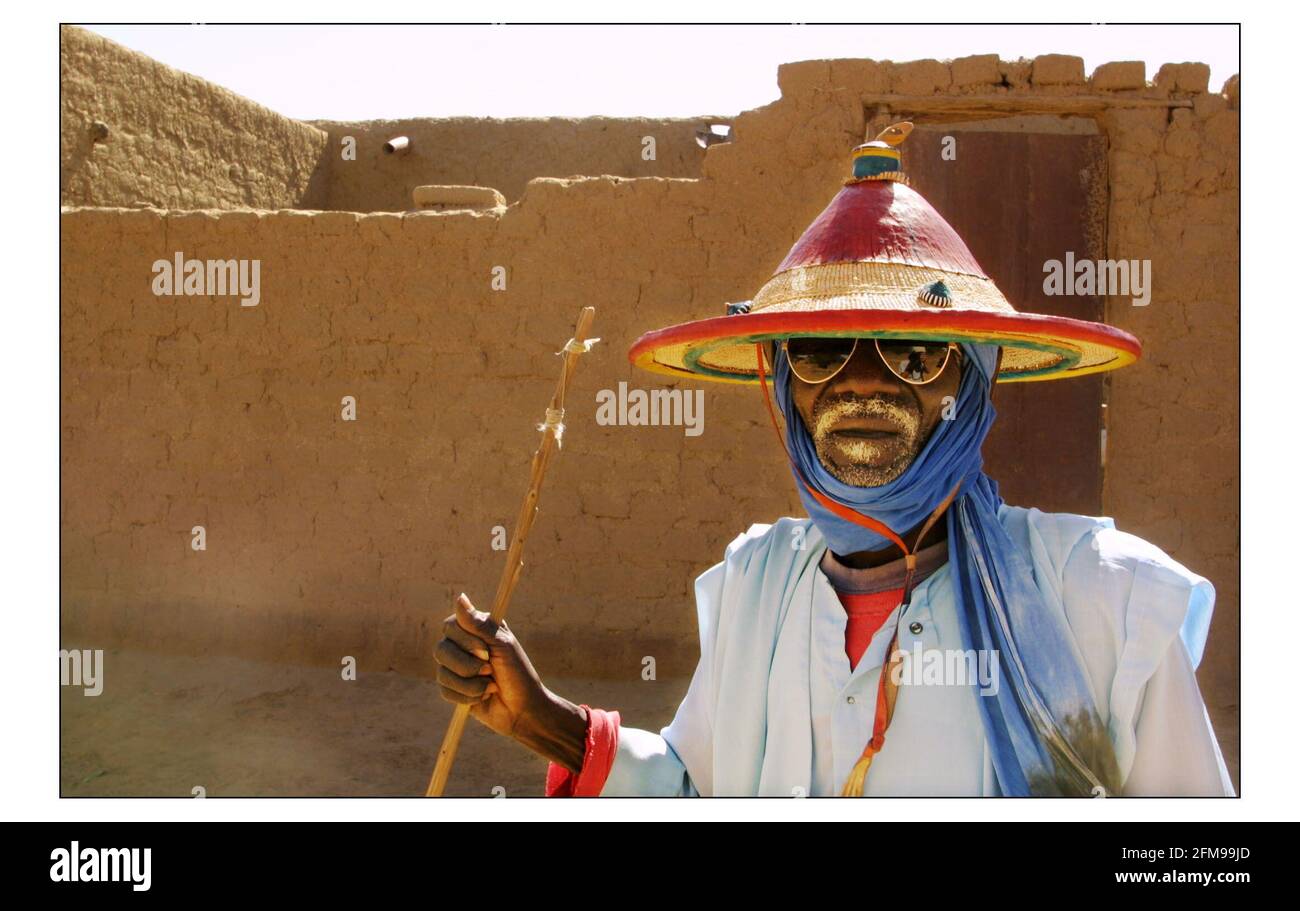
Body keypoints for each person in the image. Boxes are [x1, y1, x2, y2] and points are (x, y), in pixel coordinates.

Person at [434, 122, 1234, 797]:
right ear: (782, 385)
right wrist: (547, 720)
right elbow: (695, 786)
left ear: (974, 377)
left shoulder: (1103, 601)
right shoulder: (757, 588)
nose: (860, 380)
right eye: (819, 351)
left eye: (914, 353)